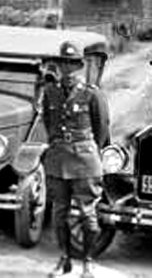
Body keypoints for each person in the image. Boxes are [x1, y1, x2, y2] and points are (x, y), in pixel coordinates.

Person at [43, 41, 110, 278]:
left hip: (84, 161)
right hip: (58, 159)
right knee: (59, 215)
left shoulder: (92, 93)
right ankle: (64, 259)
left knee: (88, 217)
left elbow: (102, 128)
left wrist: (89, 149)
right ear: (59, 66)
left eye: (72, 64)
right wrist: (56, 144)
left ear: (79, 66)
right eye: (63, 63)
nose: (67, 69)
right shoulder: (50, 92)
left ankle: (88, 262)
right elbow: (49, 124)